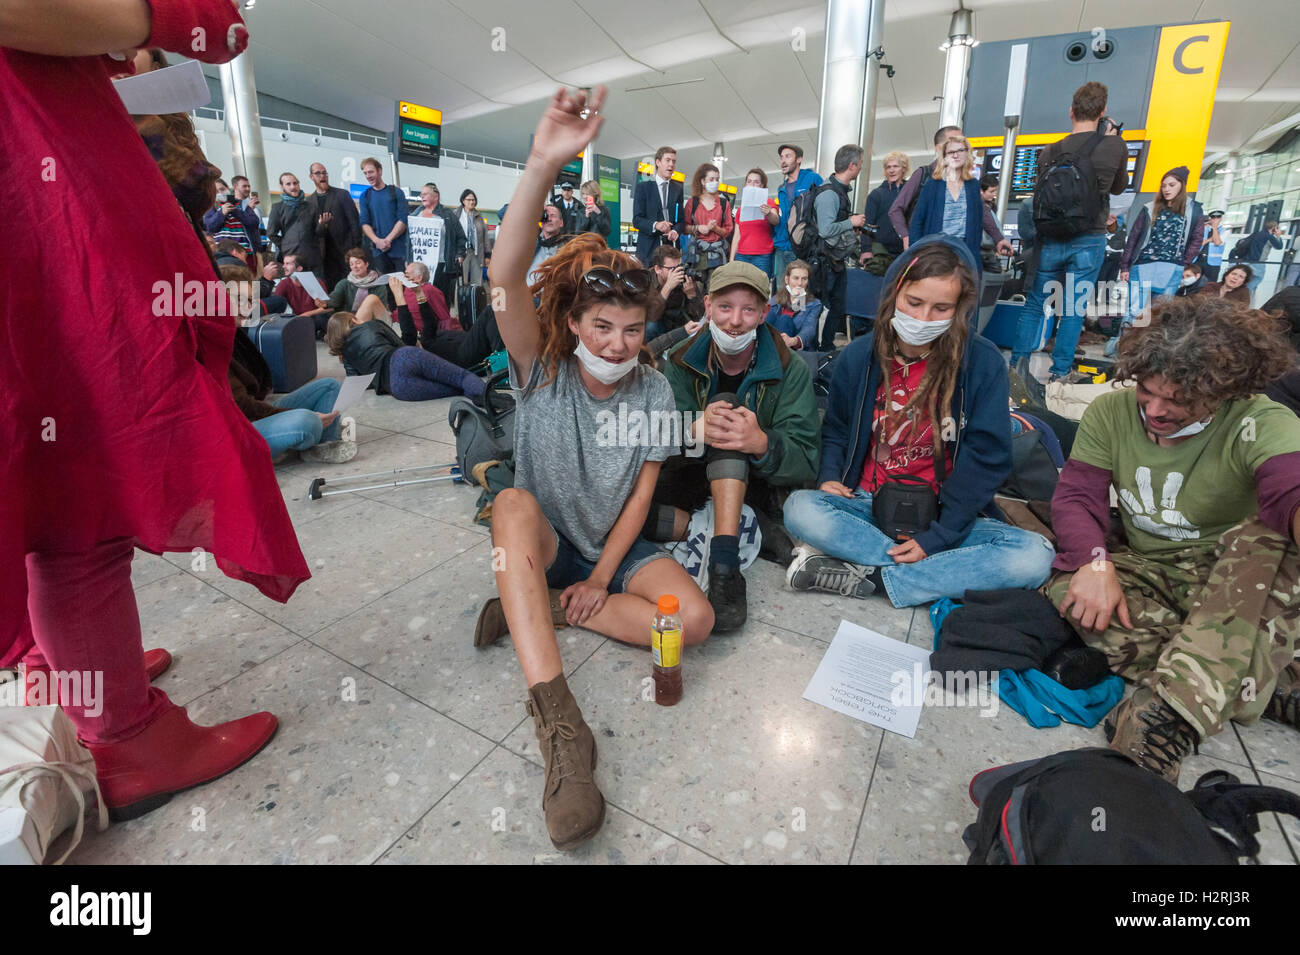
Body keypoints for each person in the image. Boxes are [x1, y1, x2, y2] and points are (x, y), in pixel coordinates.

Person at [2, 1, 312, 822]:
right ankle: (123, 734)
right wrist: (153, 17)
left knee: (50, 463)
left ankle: (76, 671)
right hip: (38, 184)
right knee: (79, 481)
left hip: (34, 169)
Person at [478, 87, 713, 850]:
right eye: (602, 326)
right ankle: (562, 728)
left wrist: (602, 576)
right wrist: (544, 163)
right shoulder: (540, 367)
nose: (617, 343)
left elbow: (645, 492)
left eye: (633, 329)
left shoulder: (651, 384)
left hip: (612, 545)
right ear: (574, 322)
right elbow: (505, 277)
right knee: (510, 503)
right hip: (548, 534)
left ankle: (534, 608)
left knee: (693, 621)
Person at [1042, 296, 1300, 781]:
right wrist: (1094, 563)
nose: (1157, 410)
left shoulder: (1261, 422)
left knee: (1269, 538)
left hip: (1234, 584)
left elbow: (1291, 485)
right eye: (1147, 390)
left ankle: (1168, 714)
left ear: (1223, 391)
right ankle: (1262, 683)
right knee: (1066, 590)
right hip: (1150, 569)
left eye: (1178, 399)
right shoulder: (1111, 412)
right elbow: (1077, 497)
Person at [783, 236, 1054, 607]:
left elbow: (987, 457)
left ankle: (874, 577)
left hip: (944, 512)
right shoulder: (860, 355)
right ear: (894, 293)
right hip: (866, 502)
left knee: (1035, 556)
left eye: (941, 308)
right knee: (800, 508)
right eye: (914, 302)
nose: (923, 318)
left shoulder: (983, 362)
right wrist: (831, 476)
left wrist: (938, 538)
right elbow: (838, 428)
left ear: (960, 309)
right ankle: (933, 575)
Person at [651, 261, 821, 628]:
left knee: (730, 422)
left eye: (748, 310)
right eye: (725, 307)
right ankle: (740, 530)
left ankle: (724, 566)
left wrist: (761, 443)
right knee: (621, 510)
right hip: (693, 475)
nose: (735, 321)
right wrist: (692, 430)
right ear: (708, 306)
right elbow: (656, 437)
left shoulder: (791, 368)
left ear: (763, 313)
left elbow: (806, 456)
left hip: (758, 482)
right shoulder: (679, 358)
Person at [1007, 83, 1130, 381]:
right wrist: (1111, 138)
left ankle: (1016, 369)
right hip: (1088, 238)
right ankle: (1060, 373)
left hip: (1051, 238)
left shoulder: (1051, 149)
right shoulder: (1113, 145)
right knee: (1073, 308)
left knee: (1036, 304)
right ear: (1101, 113)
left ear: (1071, 111)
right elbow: (1118, 187)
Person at [1113, 166, 1205, 355]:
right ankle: (1124, 351)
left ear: (1182, 186)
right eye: (1163, 185)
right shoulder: (1150, 207)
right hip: (1143, 265)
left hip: (1172, 269)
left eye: (1171, 185)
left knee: (1160, 314)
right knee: (1134, 311)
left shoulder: (1194, 209)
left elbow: (1196, 239)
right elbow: (1134, 238)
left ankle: (1147, 354)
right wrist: (1125, 265)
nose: (1166, 189)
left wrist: (1184, 262)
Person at [325, 298, 484, 402]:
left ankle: (481, 399)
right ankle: (494, 401)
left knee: (455, 389)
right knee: (461, 378)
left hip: (396, 387)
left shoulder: (345, 353)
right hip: (402, 357)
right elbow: (400, 344)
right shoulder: (371, 325)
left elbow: (360, 383)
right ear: (353, 320)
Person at [909, 135, 1011, 285]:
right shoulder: (933, 185)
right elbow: (917, 220)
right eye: (950, 152)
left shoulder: (973, 186)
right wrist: (915, 253)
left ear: (967, 154)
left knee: (965, 298)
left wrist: (999, 238)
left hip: (965, 252)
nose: (956, 155)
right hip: (937, 252)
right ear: (944, 157)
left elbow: (982, 214)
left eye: (960, 150)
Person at [813, 144, 867, 350]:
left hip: (835, 260)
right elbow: (825, 230)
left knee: (838, 307)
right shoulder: (829, 194)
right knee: (823, 308)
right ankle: (819, 348)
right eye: (860, 164)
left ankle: (826, 347)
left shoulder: (840, 191)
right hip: (825, 262)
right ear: (852, 166)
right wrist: (851, 223)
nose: (861, 167)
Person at [388, 260, 471, 365]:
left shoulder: (430, 290)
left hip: (421, 334)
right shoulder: (408, 289)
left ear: (419, 278)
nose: (404, 277)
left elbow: (443, 317)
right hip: (400, 326)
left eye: (407, 275)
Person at [412, 182, 467, 309]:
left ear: (436, 197)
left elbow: (461, 237)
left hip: (441, 264)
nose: (422, 196)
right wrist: (408, 259)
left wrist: (460, 254)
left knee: (441, 297)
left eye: (425, 194)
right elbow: (410, 239)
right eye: (421, 194)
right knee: (422, 297)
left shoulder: (447, 215)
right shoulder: (416, 214)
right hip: (420, 264)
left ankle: (443, 324)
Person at [307, 161, 361, 291]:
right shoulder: (309, 202)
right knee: (332, 288)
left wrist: (356, 248)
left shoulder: (341, 194)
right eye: (318, 173)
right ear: (311, 177)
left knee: (351, 286)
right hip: (324, 255)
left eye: (324, 173)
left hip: (345, 250)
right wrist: (321, 225)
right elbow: (313, 232)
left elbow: (354, 222)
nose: (322, 176)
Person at [772, 144, 823, 281]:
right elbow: (784, 218)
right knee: (782, 290)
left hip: (805, 247)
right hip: (783, 247)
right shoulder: (781, 188)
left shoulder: (813, 179)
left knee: (803, 291)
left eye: (788, 156)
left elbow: (822, 208)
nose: (783, 161)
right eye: (781, 157)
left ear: (799, 159)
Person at [682, 162, 734, 286]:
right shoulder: (692, 203)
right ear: (703, 181)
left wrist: (715, 229)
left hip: (718, 255)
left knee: (716, 289)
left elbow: (728, 230)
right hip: (697, 254)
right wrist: (699, 228)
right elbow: (683, 227)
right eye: (711, 179)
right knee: (696, 288)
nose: (715, 182)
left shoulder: (723, 203)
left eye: (717, 179)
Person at [632, 146, 684, 266]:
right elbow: (637, 220)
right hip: (648, 251)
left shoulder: (677, 190)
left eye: (674, 161)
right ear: (658, 162)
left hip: (670, 252)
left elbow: (680, 220)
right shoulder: (643, 188)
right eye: (668, 160)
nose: (671, 164)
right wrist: (656, 225)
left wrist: (676, 231)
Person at [358, 157, 408, 275]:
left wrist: (388, 240)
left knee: (403, 285)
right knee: (384, 289)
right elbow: (364, 223)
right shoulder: (365, 196)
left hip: (399, 251)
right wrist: (377, 241)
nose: (368, 176)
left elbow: (403, 219)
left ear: (379, 171)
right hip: (378, 252)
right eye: (365, 173)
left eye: (371, 172)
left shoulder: (396, 192)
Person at [646, 245, 704, 342]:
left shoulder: (684, 277)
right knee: (650, 327)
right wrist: (668, 287)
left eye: (678, 267)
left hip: (679, 324)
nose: (677, 272)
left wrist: (692, 296)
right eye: (671, 269)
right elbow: (651, 316)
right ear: (658, 269)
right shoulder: (646, 280)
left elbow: (700, 316)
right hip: (658, 324)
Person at [862, 151, 909, 266]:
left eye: (895, 166)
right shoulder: (876, 194)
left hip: (905, 251)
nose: (891, 170)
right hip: (881, 253)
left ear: (903, 168)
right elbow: (868, 224)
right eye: (888, 167)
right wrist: (866, 250)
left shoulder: (911, 192)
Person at [267, 172, 319, 273]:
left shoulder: (311, 206)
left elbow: (318, 232)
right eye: (288, 184)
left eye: (295, 183)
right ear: (282, 186)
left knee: (314, 286)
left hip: (312, 256)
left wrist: (322, 225)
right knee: (293, 286)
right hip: (291, 257)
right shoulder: (277, 208)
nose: (293, 186)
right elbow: (271, 233)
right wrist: (286, 245)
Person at [730, 168, 778, 278]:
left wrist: (768, 213)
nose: (752, 185)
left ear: (762, 186)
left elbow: (776, 220)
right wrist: (732, 259)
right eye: (749, 181)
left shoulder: (768, 203)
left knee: (760, 288)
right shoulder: (740, 209)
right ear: (745, 184)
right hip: (741, 255)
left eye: (756, 182)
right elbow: (737, 236)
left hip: (762, 255)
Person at [765, 259, 821, 351]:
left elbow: (809, 328)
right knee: (768, 312)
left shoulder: (814, 304)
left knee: (785, 319)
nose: (800, 283)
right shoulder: (776, 299)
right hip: (773, 342)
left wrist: (793, 341)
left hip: (795, 347)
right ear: (787, 280)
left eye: (804, 279)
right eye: (796, 278)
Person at [274, 251, 332, 337]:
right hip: (295, 320)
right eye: (284, 263)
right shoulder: (283, 284)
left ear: (299, 268)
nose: (283, 266)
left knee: (323, 318)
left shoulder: (316, 282)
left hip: (314, 318)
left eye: (288, 264)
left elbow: (328, 308)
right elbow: (276, 306)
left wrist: (307, 314)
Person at [326, 247, 395, 314]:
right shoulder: (344, 283)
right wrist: (325, 303)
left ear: (366, 264)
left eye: (358, 263)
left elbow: (381, 309)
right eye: (351, 264)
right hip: (349, 319)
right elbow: (335, 298)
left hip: (371, 320)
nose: (355, 266)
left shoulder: (378, 284)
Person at [203, 183, 261, 259]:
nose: (220, 193)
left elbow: (254, 223)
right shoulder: (211, 207)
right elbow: (210, 227)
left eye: (222, 189)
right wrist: (221, 213)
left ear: (228, 189)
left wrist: (235, 211)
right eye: (216, 191)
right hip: (221, 253)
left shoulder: (242, 204)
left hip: (244, 252)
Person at [458, 189, 488, 287]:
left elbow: (485, 236)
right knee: (462, 280)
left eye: (473, 200)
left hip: (476, 252)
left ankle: (475, 300)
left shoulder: (479, 216)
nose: (472, 202)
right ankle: (462, 301)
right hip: (462, 253)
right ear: (463, 200)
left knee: (477, 282)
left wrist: (488, 255)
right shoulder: (456, 214)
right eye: (469, 200)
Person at [1198, 209, 1226, 281]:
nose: (1215, 219)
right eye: (1213, 217)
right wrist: (1210, 239)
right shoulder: (1204, 228)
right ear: (1210, 218)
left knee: (1210, 285)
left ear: (1221, 219)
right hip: (1198, 260)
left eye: (1218, 217)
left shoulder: (1225, 231)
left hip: (1213, 263)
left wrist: (1215, 227)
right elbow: (1199, 243)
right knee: (1194, 282)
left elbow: (1217, 242)